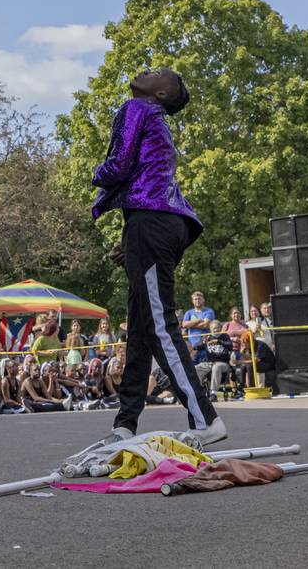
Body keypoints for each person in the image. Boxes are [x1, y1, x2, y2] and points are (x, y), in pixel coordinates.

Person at [89, 68, 223, 445]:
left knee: (160, 324)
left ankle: (205, 419)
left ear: (162, 93)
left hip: (152, 223)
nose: (149, 70)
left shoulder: (139, 108)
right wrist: (132, 244)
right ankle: (125, 423)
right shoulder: (155, 119)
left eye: (160, 74)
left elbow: (119, 166)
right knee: (141, 329)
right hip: (160, 224)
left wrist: (95, 175)